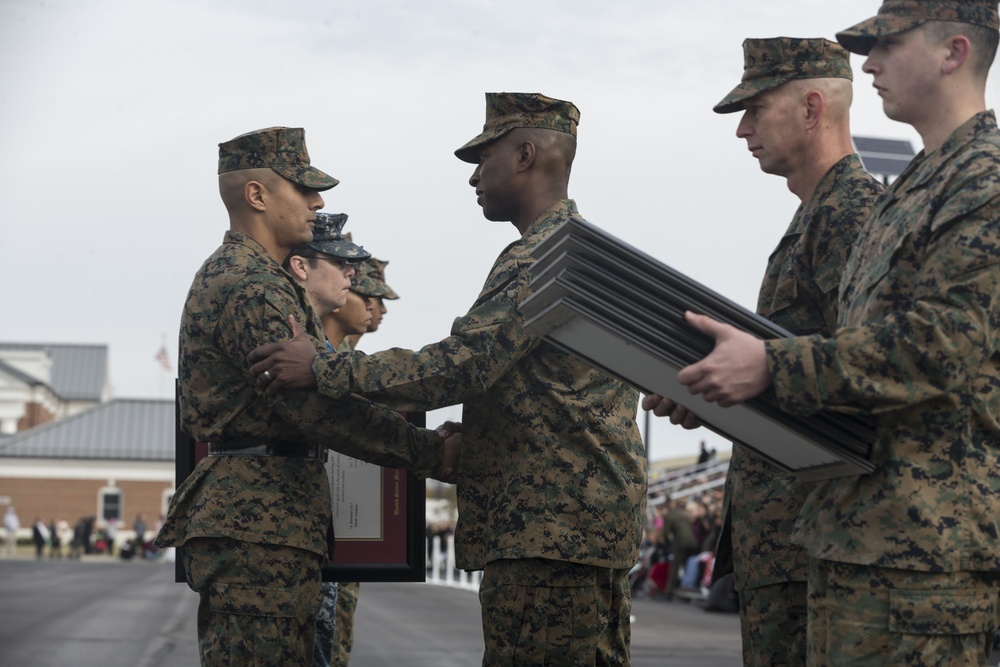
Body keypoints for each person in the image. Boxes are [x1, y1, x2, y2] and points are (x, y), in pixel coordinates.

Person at [652, 3, 1000, 664]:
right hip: (858, 535)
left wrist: (767, 368)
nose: (868, 63)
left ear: (954, 53)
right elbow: (849, 364)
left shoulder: (982, 183)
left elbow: (933, 348)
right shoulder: (913, 194)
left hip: (921, 552)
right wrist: (725, 383)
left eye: (887, 45)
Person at [249, 94, 648, 666]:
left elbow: (462, 364)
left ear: (525, 155)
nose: (473, 178)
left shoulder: (545, 255)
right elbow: (549, 391)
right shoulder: (578, 249)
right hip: (574, 528)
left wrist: (322, 365)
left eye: (481, 160)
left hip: (549, 534)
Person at [153, 126, 459, 666]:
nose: (318, 202)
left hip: (268, 517)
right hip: (258, 525)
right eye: (304, 189)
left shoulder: (261, 280)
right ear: (257, 196)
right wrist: (432, 452)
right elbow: (319, 409)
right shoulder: (252, 285)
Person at [648, 37, 884, 666]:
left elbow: (868, 371)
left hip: (816, 539)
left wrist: (756, 374)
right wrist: (718, 395)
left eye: (755, 109)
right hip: (791, 539)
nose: (742, 130)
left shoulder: (851, 214)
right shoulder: (814, 218)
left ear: (812, 108)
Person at [282, 210, 371, 667]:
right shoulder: (291, 341)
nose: (351, 274)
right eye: (339, 264)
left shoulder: (316, 346)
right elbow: (345, 425)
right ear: (302, 267)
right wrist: (433, 452)